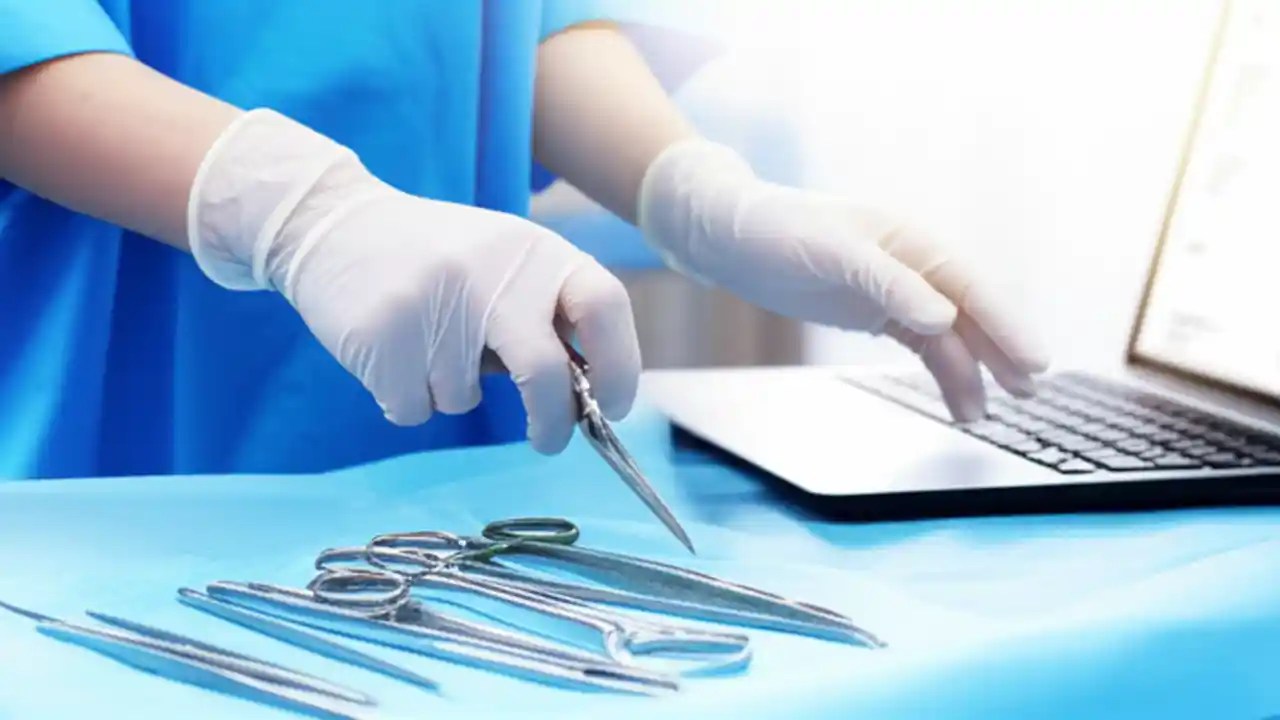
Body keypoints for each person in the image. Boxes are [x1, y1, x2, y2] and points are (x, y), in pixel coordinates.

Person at [0, 2, 1048, 480]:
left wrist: (695, 195)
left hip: (441, 460)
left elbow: (523, 21)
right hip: (116, 463)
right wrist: (295, 209)